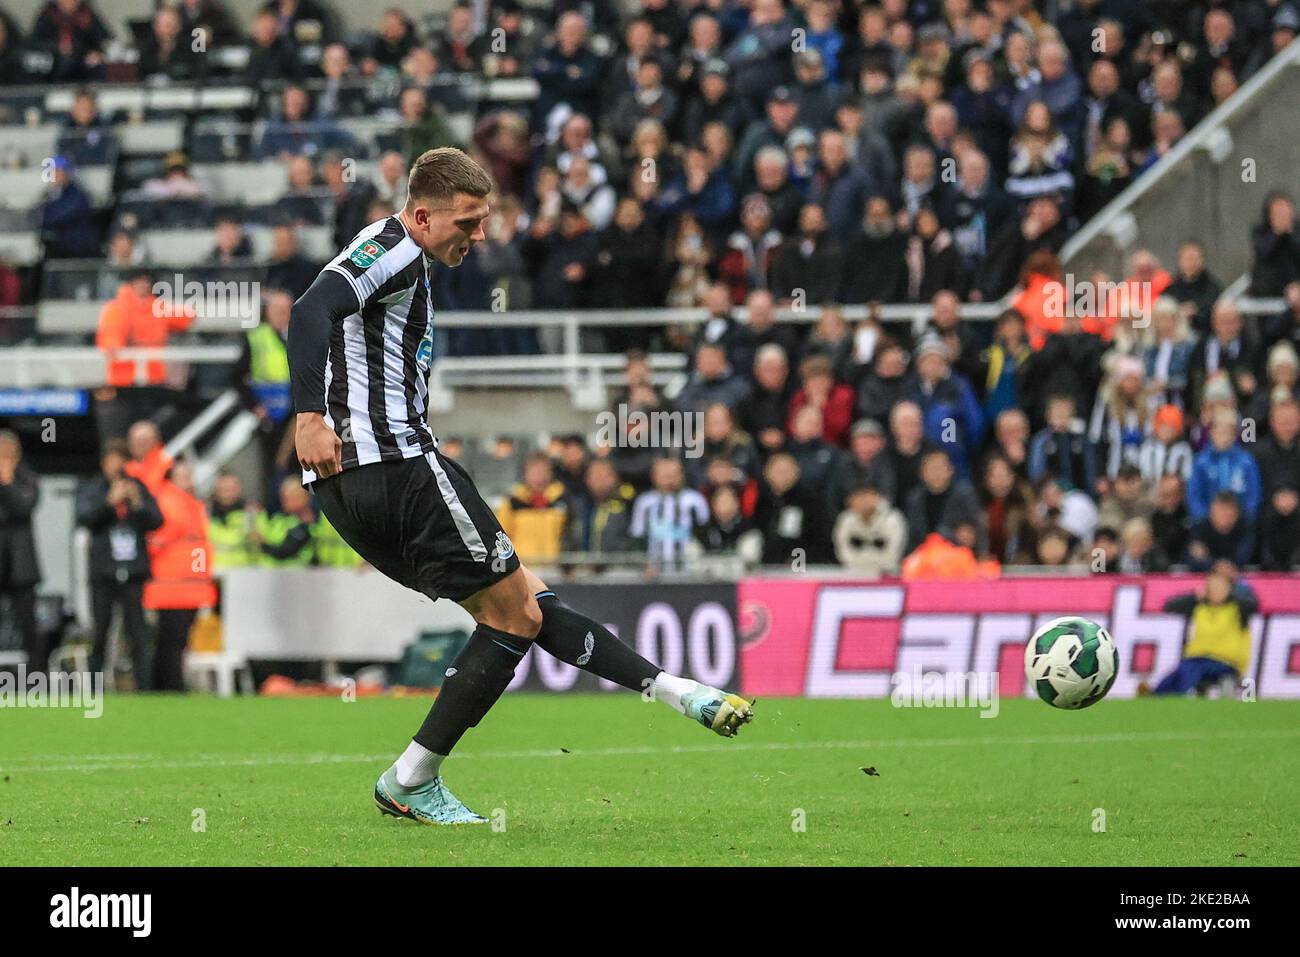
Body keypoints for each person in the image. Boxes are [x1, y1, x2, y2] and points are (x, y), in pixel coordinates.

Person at [288, 148, 754, 825]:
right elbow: (308, 312)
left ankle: (678, 692)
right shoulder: (393, 249)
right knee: (515, 614)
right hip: (394, 465)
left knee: (521, 606)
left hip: (346, 487)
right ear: (422, 214)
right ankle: (411, 778)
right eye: (467, 223)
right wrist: (307, 416)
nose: (477, 238)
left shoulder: (391, 254)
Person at [77, 440, 163, 689]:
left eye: (120, 460)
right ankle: (94, 688)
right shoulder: (93, 488)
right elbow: (84, 519)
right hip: (103, 572)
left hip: (133, 572)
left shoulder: (138, 488)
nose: (115, 466)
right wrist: (108, 503)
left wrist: (137, 503)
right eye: (111, 460)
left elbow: (157, 520)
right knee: (100, 633)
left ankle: (144, 687)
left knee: (138, 633)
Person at [143, 461, 216, 691]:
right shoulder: (168, 501)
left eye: (189, 474)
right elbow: (158, 539)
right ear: (171, 478)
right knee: (171, 642)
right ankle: (169, 686)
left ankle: (164, 686)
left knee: (175, 641)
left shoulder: (189, 503)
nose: (188, 479)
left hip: (187, 587)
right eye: (183, 475)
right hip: (173, 586)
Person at [1149, 568, 1256, 695]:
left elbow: (1254, 605)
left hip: (1226, 662)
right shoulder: (1199, 607)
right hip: (1196, 659)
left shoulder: (1238, 609)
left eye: (1220, 587)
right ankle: (1154, 697)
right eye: (1212, 587)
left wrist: (1234, 589)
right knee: (1175, 675)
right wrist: (1193, 597)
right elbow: (1169, 606)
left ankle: (1182, 694)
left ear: (1230, 589)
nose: (1216, 591)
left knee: (1189, 669)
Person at [0, 431, 41, 671]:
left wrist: (7, 483)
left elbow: (24, 507)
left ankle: (36, 676)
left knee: (28, 624)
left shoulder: (27, 477)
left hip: (21, 564)